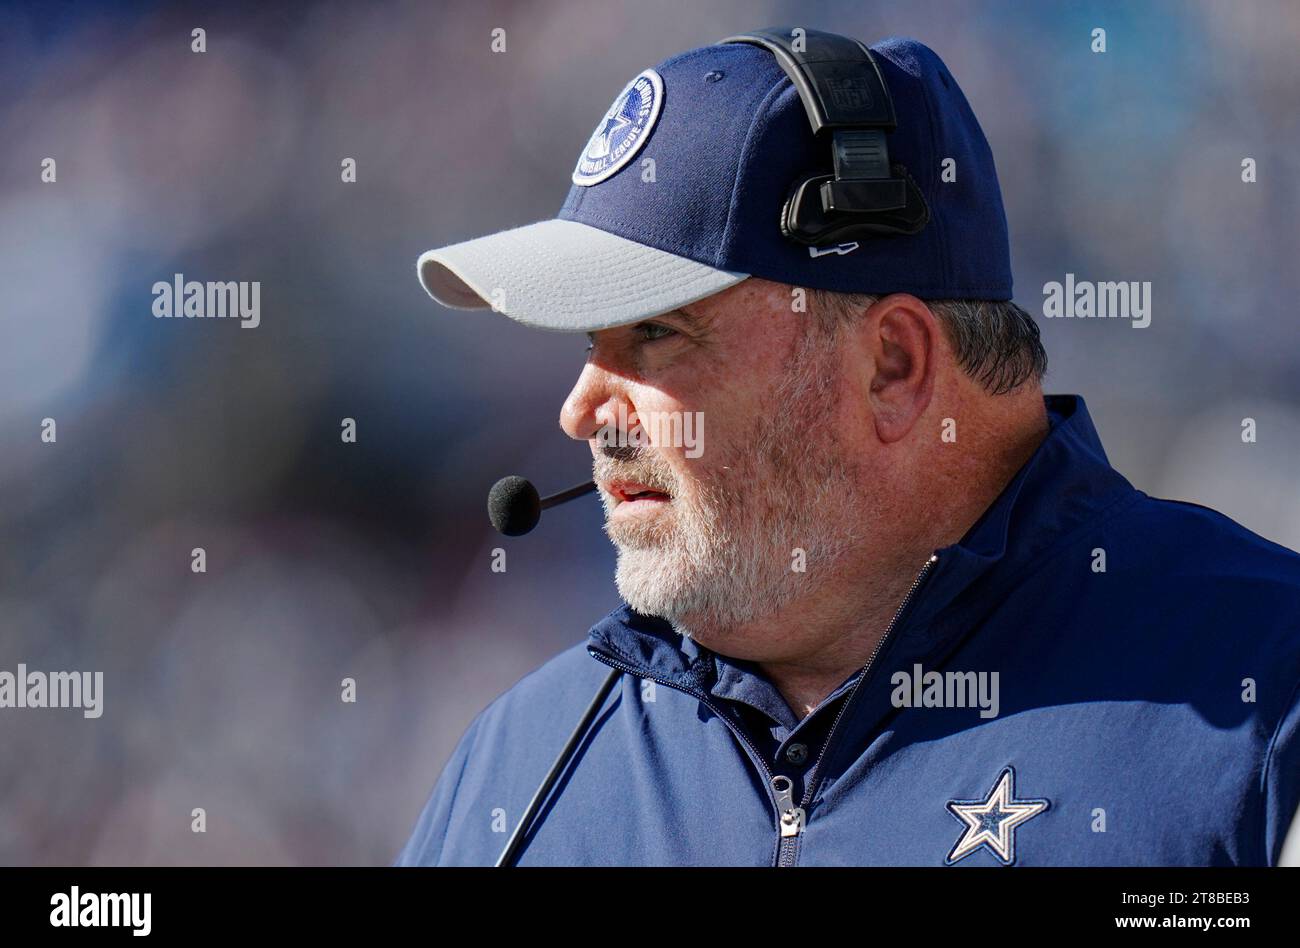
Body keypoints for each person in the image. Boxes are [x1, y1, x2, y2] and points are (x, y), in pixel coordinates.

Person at [397, 30, 1300, 866]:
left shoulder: (1266, 691)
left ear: (894, 367)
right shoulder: (517, 769)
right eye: (587, 344)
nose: (582, 409)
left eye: (658, 337)